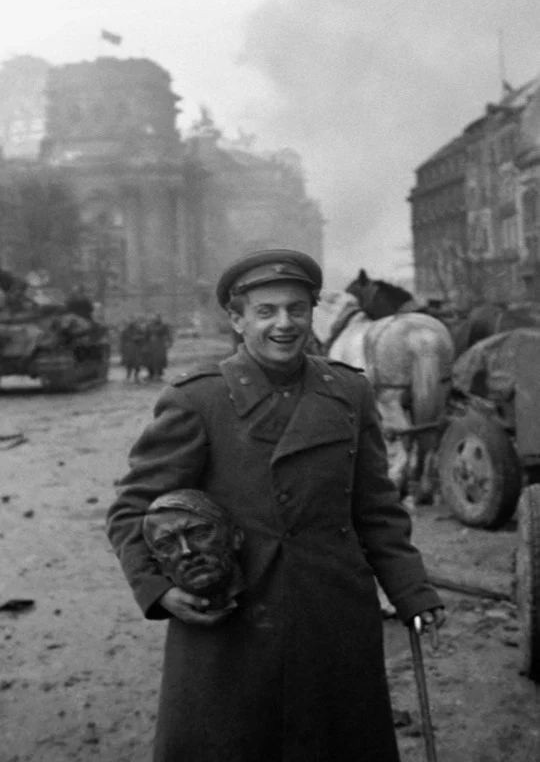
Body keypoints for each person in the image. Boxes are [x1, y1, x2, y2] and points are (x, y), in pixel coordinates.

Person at [106, 248, 445, 762]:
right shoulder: (199, 400)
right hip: (236, 616)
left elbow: (377, 509)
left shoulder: (349, 391)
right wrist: (157, 589)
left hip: (333, 614)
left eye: (296, 309)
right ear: (237, 321)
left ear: (313, 313)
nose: (283, 324)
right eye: (265, 312)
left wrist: (412, 592)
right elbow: (132, 508)